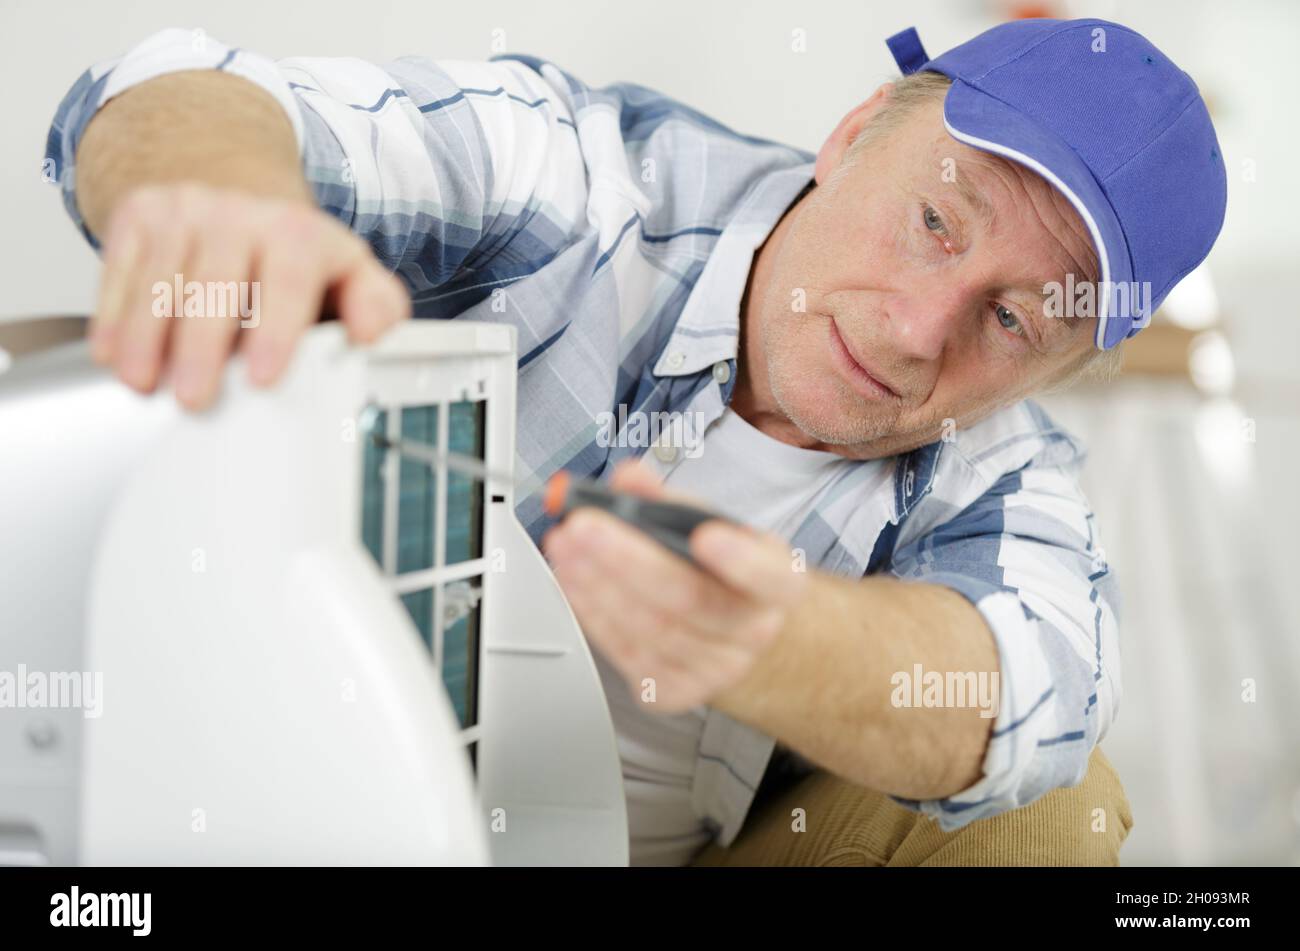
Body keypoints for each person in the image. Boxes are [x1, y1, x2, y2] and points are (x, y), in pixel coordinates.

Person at [47, 18, 1226, 865]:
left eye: (1016, 319)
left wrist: (778, 637)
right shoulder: (586, 184)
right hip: (309, 788)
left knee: (1054, 818)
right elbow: (184, 89)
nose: (920, 331)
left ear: (1067, 366)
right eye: (932, 220)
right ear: (856, 130)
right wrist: (218, 188)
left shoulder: (1001, 473)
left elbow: (1034, 692)